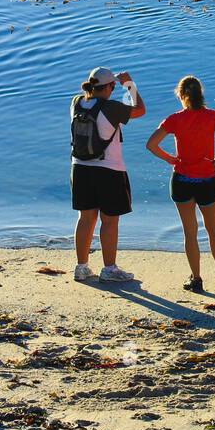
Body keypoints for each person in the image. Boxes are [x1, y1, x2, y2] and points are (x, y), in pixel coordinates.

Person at [146, 76, 215, 293]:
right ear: (201, 94)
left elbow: (151, 144)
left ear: (180, 95)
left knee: (190, 232)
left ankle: (196, 279)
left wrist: (170, 158)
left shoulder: (174, 119)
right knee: (213, 230)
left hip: (181, 180)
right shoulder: (212, 116)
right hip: (207, 180)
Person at [70, 66, 146, 283]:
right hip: (109, 169)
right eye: (113, 85)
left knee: (85, 218)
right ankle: (109, 268)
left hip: (80, 167)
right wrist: (129, 84)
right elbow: (140, 109)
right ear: (109, 87)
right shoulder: (111, 108)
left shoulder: (76, 103)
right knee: (109, 221)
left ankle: (82, 267)